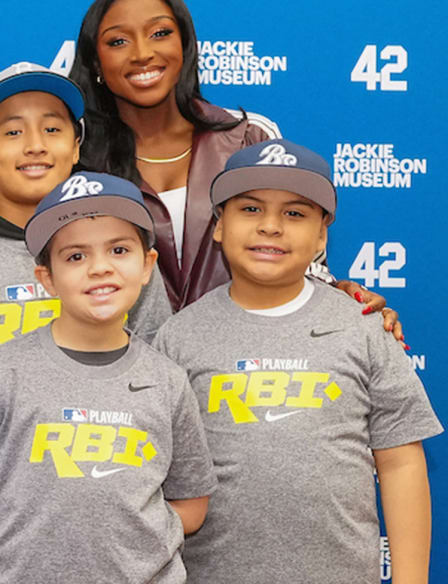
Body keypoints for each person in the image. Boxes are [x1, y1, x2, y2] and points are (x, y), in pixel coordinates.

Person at [0, 63, 172, 582]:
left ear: (76, 145)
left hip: (114, 528)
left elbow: (163, 389)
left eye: (52, 128)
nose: (35, 145)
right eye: (12, 131)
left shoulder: (121, 251)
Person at [154, 140, 439, 584]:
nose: (270, 226)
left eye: (294, 213)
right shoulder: (178, 337)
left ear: (322, 235)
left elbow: (401, 462)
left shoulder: (364, 328)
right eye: (250, 209)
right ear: (219, 225)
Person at [66, 0, 397, 332]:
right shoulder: (74, 156)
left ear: (186, 46)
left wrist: (340, 299)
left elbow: (303, 260)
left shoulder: (249, 138)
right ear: (95, 61)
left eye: (160, 33)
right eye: (118, 41)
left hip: (242, 352)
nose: (142, 53)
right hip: (119, 357)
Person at [0, 173, 214, 583]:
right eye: (76, 256)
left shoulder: (168, 381)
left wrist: (123, 539)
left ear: (147, 266)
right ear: (47, 278)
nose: (100, 268)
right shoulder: (3, 370)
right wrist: (31, 541)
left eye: (119, 250)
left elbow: (192, 505)